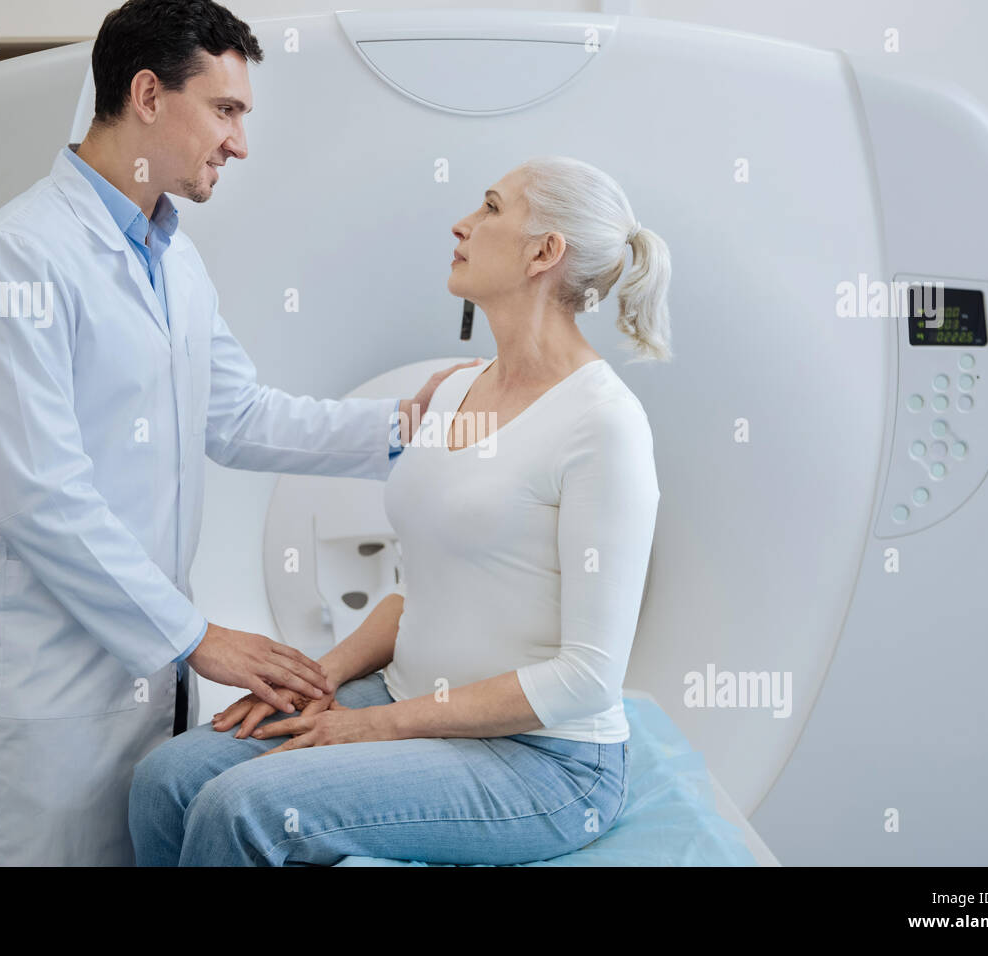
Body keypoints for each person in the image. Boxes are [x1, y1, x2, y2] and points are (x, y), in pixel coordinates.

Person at [0, 0, 470, 866]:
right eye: (226, 110)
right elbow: (37, 494)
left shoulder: (172, 255)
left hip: (148, 671)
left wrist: (404, 427)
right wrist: (196, 636)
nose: (240, 142)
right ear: (147, 94)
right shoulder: (15, 257)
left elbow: (239, 414)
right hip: (49, 672)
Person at [129, 154, 673, 866]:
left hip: (545, 763)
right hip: (408, 692)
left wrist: (380, 726)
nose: (463, 223)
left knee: (244, 810)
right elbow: (417, 592)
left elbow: (587, 679)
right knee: (165, 780)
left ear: (545, 252)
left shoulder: (603, 424)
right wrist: (319, 680)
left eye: (490, 208)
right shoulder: (453, 392)